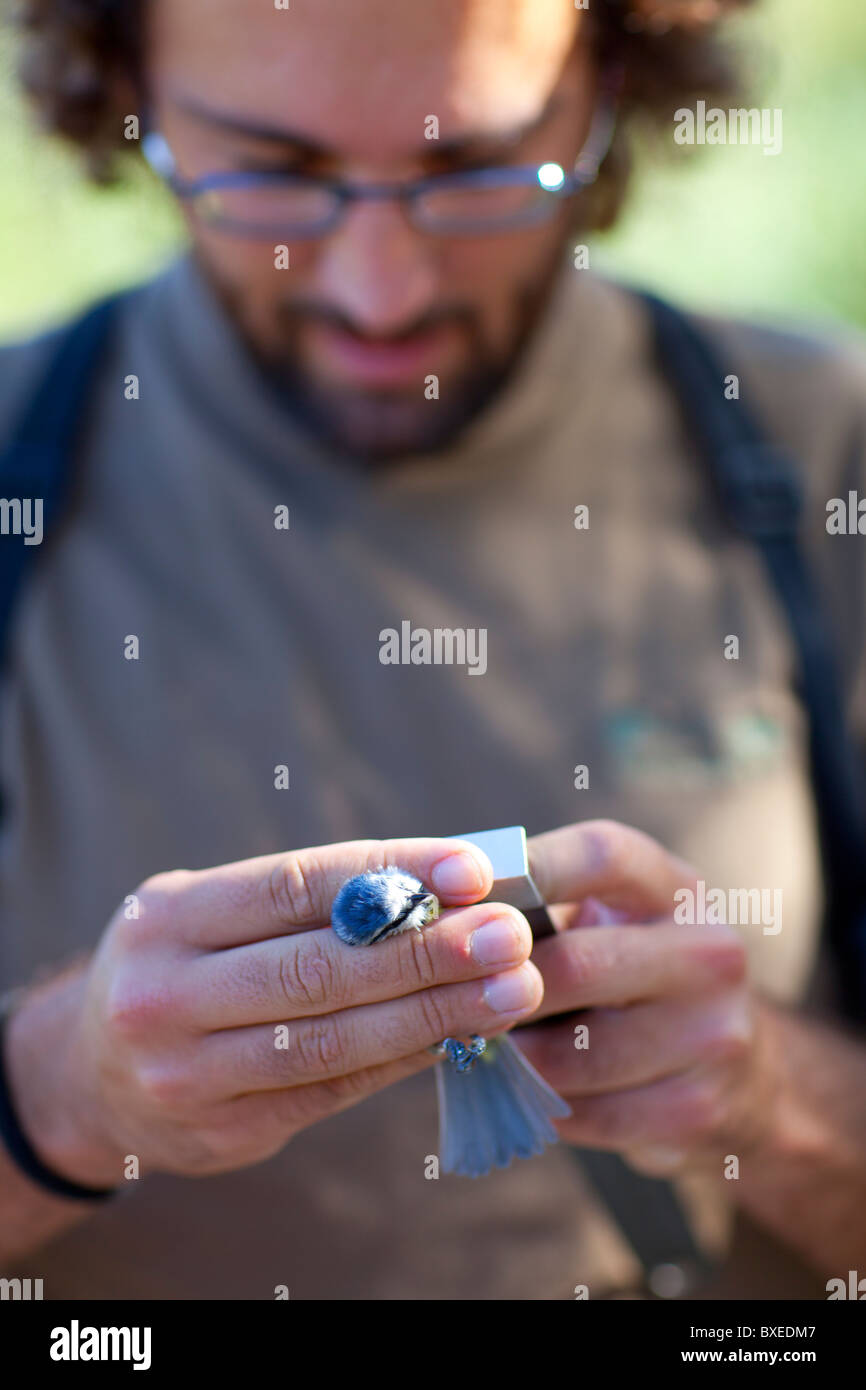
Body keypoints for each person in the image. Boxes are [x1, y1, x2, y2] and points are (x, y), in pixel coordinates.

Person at [1, 0, 865, 1301]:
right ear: (127, 95)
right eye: (272, 176)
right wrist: (56, 1096)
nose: (377, 289)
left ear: (611, 87)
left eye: (474, 170)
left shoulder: (820, 454)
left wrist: (775, 1100)